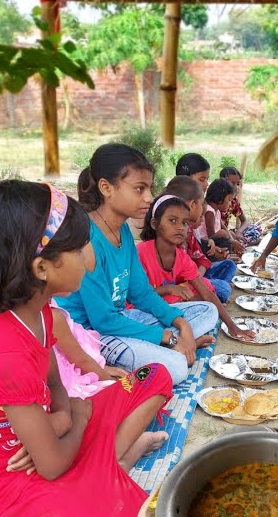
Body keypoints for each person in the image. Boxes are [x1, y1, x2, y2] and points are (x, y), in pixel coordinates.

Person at [0, 180, 172, 517]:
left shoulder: (39, 312)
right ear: (42, 268)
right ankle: (110, 466)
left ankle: (105, 466)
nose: (90, 254)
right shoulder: (1, 351)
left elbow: (54, 380)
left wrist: (63, 417)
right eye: (79, 246)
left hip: (57, 434)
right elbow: (52, 465)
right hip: (20, 482)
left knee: (154, 376)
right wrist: (78, 417)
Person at [55, 144, 220, 386]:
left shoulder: (122, 229)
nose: (148, 198)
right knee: (176, 369)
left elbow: (141, 292)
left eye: (149, 188)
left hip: (122, 318)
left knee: (208, 311)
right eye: (139, 189)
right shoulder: (87, 240)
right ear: (106, 188)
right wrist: (169, 338)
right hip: (95, 335)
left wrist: (180, 323)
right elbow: (103, 322)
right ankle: (169, 352)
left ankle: (171, 347)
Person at [136, 195, 253, 340]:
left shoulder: (181, 257)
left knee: (208, 302)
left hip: (169, 309)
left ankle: (174, 337)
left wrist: (232, 326)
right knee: (184, 301)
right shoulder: (140, 253)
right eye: (172, 221)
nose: (180, 227)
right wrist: (169, 289)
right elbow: (136, 297)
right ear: (155, 224)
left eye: (184, 223)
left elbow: (206, 294)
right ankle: (176, 338)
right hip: (140, 312)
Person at [162, 176, 238, 303]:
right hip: (185, 284)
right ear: (192, 205)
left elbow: (202, 258)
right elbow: (178, 278)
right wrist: (198, 280)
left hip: (197, 277)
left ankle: (212, 289)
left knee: (229, 265)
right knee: (223, 289)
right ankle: (212, 291)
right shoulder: (170, 239)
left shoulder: (190, 233)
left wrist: (212, 253)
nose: (201, 219)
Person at [219, 166, 261, 246]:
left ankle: (242, 243)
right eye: (232, 183)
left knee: (254, 228)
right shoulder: (216, 202)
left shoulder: (233, 202)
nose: (236, 187)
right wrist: (231, 235)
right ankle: (242, 244)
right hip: (220, 235)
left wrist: (239, 232)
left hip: (228, 233)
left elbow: (245, 221)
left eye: (238, 184)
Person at [202, 178, 238, 252]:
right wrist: (230, 241)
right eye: (229, 200)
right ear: (220, 197)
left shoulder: (217, 211)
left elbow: (224, 227)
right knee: (224, 234)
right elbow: (211, 237)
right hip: (206, 244)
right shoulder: (209, 212)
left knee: (230, 234)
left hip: (215, 241)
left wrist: (232, 240)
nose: (230, 204)